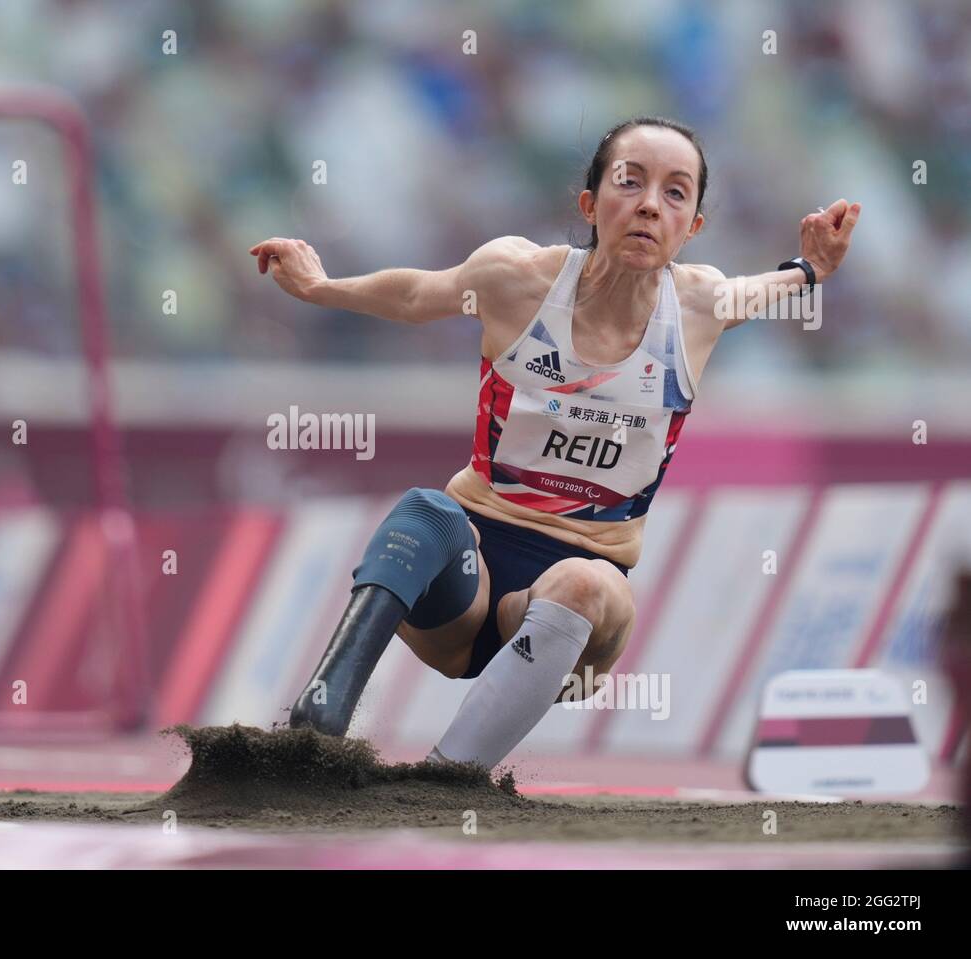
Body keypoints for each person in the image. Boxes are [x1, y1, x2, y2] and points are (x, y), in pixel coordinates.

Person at [249, 116, 861, 769]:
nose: (651, 204)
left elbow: (765, 290)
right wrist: (320, 286)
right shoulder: (517, 278)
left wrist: (811, 267)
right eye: (631, 183)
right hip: (465, 583)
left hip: (577, 621)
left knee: (581, 583)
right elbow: (418, 294)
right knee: (426, 510)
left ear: (694, 228)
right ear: (591, 205)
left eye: (676, 193)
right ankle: (310, 731)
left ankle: (447, 781)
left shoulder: (699, 306)